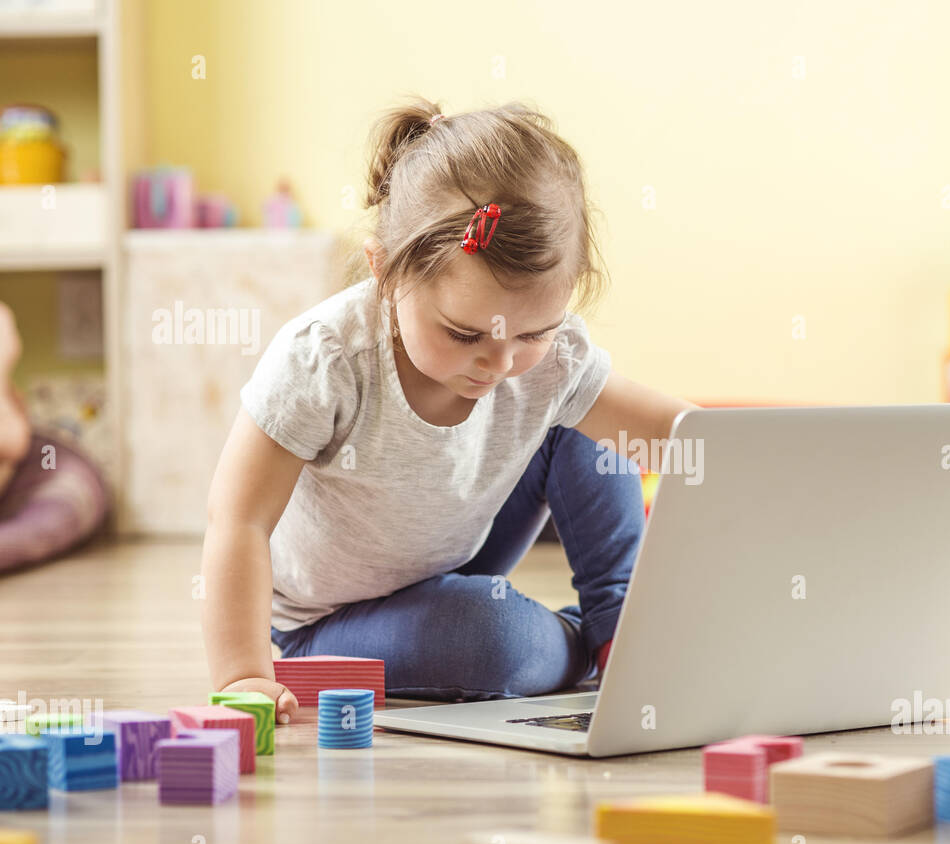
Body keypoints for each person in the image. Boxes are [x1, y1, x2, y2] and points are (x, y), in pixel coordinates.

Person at [201, 101, 697, 724]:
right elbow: (237, 518)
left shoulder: (544, 359)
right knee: (488, 640)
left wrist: (763, 470)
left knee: (585, 417)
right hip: (332, 622)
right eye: (465, 335)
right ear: (386, 272)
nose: (500, 362)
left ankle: (624, 630)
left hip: (462, 557)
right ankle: (581, 651)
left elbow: (676, 438)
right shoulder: (327, 359)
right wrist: (245, 674)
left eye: (533, 332)